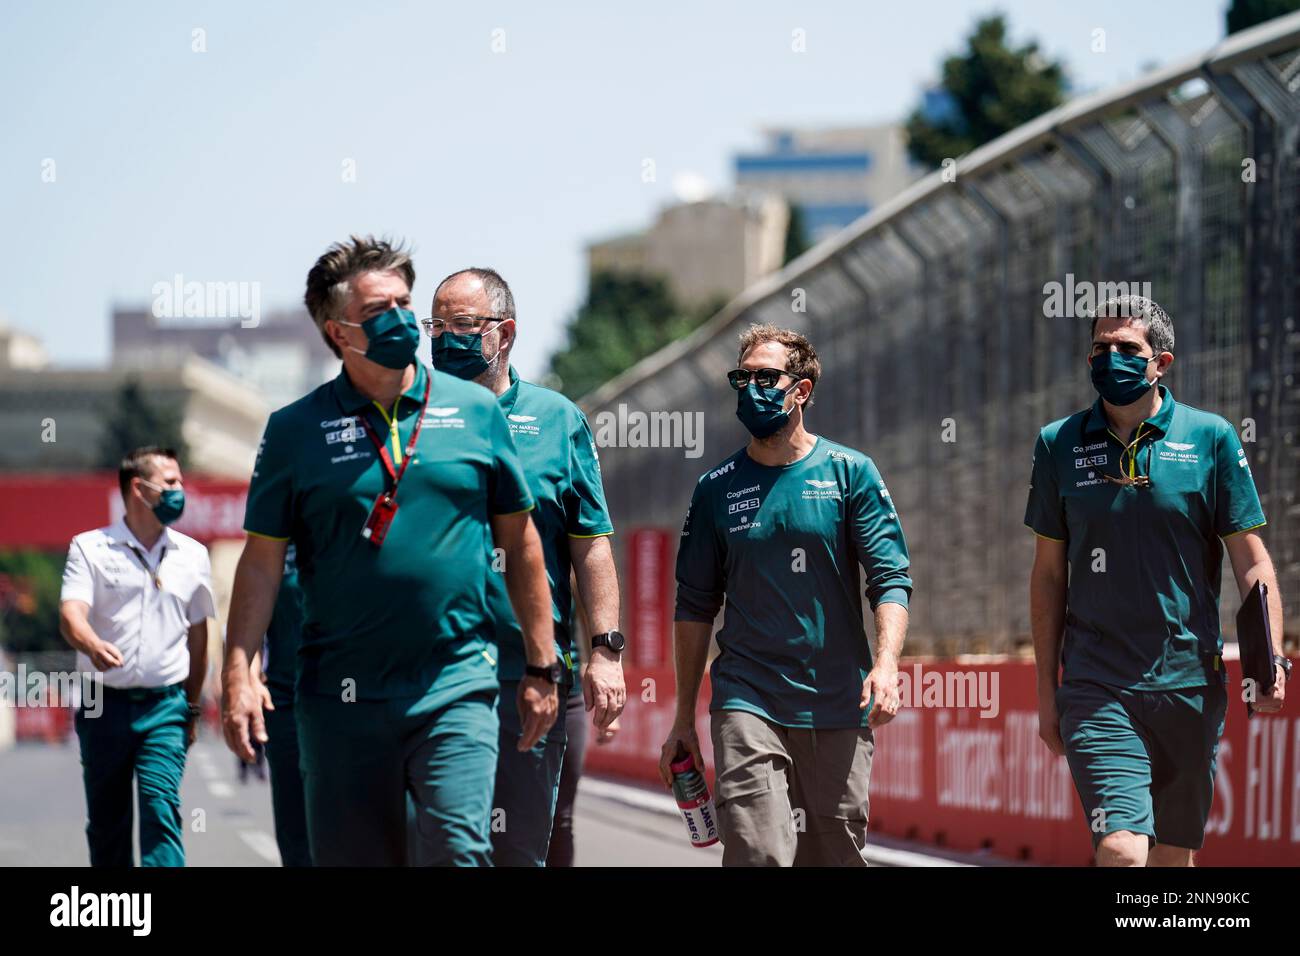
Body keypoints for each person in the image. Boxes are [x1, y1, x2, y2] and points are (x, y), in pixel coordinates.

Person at [220, 236, 558, 866]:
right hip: (339, 698)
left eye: (406, 303)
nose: (403, 320)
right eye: (380, 311)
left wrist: (542, 664)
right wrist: (238, 672)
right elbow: (261, 561)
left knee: (461, 853)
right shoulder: (294, 432)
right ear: (337, 330)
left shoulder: (476, 412)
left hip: (454, 683)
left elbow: (521, 539)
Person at [1027, 294, 1288, 867]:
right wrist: (1048, 693)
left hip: (1190, 684)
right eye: (1100, 347)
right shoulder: (1058, 445)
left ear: (1161, 363)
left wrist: (1269, 660)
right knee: (1122, 850)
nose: (1110, 357)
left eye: (1127, 348)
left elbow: (1252, 559)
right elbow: (1048, 577)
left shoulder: (1212, 438)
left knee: (1171, 861)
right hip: (1098, 684)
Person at [659, 324, 911, 866]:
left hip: (836, 699)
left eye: (766, 378)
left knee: (833, 855)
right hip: (746, 696)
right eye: (741, 378)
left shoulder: (850, 473)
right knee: (759, 851)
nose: (751, 389)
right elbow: (694, 605)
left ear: (802, 390)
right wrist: (683, 717)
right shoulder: (716, 489)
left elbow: (889, 577)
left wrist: (887, 664)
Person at [428, 267, 625, 867]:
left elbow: (590, 544)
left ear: (504, 333)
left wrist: (606, 650)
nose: (443, 340)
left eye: (461, 326)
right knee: (439, 845)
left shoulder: (558, 420)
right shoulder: (413, 418)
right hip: (433, 675)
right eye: (433, 326)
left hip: (531, 675)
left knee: (525, 845)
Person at [58, 446, 214, 866]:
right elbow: (71, 614)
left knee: (159, 804)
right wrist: (92, 644)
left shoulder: (193, 556)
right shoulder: (90, 548)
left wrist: (193, 707)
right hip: (102, 705)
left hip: (165, 707)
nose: (181, 490)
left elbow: (199, 636)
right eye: (171, 483)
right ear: (138, 489)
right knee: (107, 820)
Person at [250, 544, 310, 866]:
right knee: (294, 829)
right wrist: (247, 677)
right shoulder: (272, 549)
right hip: (284, 703)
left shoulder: (351, 535)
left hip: (349, 705)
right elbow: (248, 627)